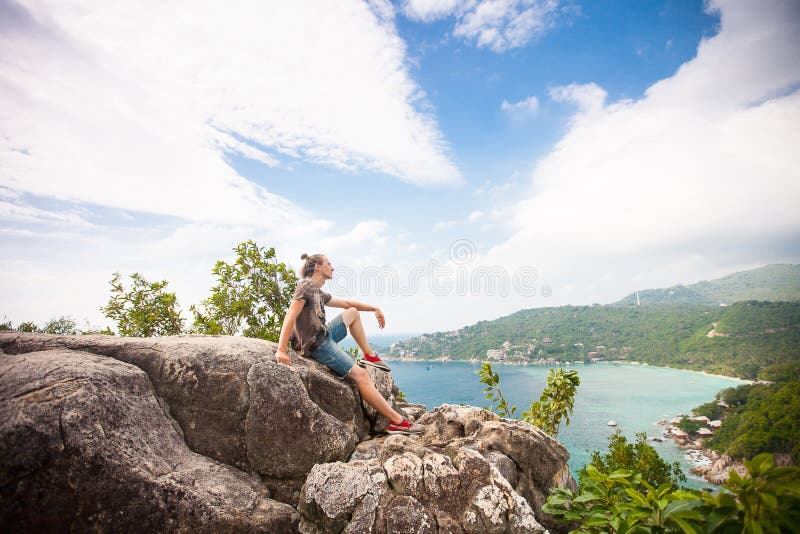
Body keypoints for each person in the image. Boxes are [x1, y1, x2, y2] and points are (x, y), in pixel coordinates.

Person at [274, 253, 423, 435]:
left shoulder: (317, 291)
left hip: (323, 335)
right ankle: (397, 422)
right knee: (361, 376)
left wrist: (374, 308)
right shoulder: (305, 287)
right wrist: (281, 350)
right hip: (316, 344)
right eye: (329, 264)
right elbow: (291, 315)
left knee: (352, 312)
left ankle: (369, 356)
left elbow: (346, 303)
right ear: (318, 267)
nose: (333, 267)